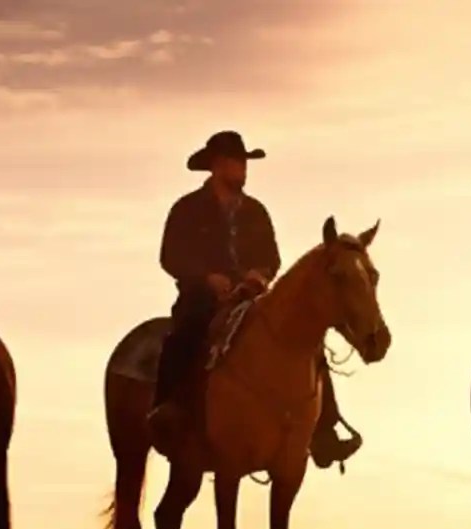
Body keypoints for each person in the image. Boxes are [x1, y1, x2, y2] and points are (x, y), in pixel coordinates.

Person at [148, 130, 362, 469]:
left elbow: (272, 258)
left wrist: (258, 276)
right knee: (183, 334)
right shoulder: (187, 209)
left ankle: (325, 427)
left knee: (308, 340)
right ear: (217, 166)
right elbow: (170, 256)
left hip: (249, 297)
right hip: (201, 297)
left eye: (244, 162)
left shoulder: (256, 212)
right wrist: (206, 278)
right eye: (236, 162)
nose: (243, 169)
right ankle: (168, 409)